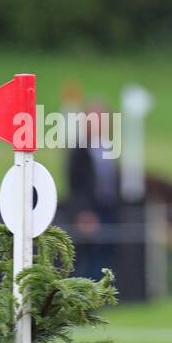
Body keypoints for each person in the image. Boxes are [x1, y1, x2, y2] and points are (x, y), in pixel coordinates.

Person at [65, 99, 120, 282]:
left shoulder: (107, 146)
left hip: (108, 209)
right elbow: (75, 184)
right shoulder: (79, 149)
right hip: (90, 213)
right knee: (89, 261)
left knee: (105, 258)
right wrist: (83, 212)